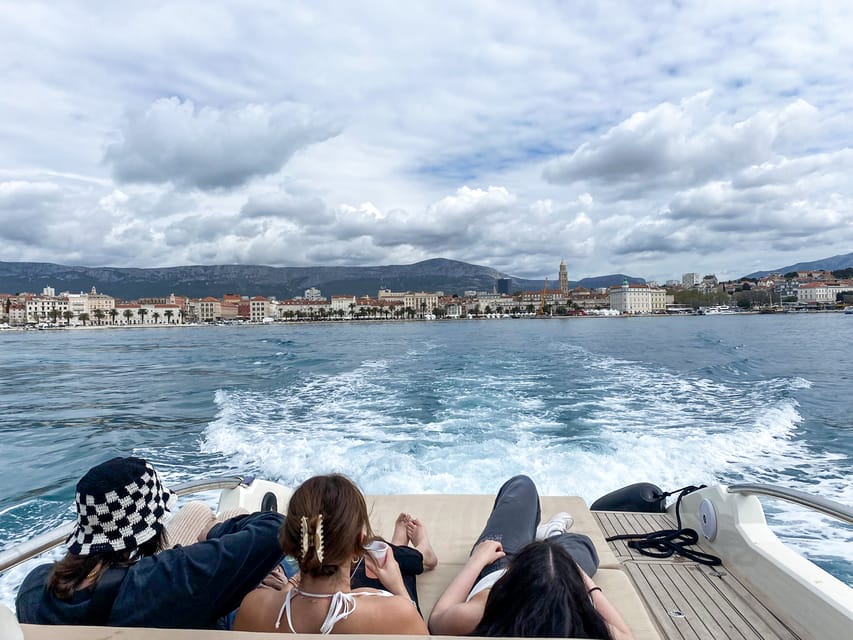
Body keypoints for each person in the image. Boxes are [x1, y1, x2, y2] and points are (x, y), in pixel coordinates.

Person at [15, 456, 285, 629]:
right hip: (190, 618)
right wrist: (214, 532)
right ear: (150, 529)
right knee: (230, 520)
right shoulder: (171, 576)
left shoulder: (34, 588)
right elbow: (274, 529)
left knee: (197, 509)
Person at [428, 475, 633, 639]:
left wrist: (477, 560)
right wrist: (575, 573)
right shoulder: (579, 621)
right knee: (582, 543)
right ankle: (554, 537)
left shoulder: (480, 614)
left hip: (497, 562)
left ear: (509, 580)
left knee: (522, 485)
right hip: (555, 573)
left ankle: (545, 539)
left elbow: (437, 620)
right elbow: (625, 635)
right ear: (573, 593)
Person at [233, 473, 430, 634]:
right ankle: (418, 549)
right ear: (359, 543)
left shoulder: (254, 607)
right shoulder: (395, 612)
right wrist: (399, 589)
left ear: (289, 540)